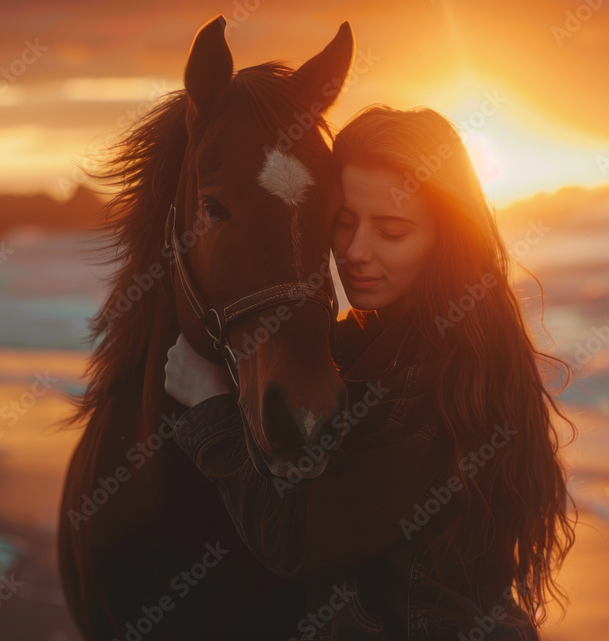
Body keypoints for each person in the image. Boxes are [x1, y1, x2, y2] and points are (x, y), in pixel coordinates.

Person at [164, 105, 577, 639]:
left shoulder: (434, 380)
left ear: (444, 240)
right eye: (343, 221)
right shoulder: (378, 340)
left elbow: (299, 542)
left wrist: (210, 412)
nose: (356, 252)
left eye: (393, 231)